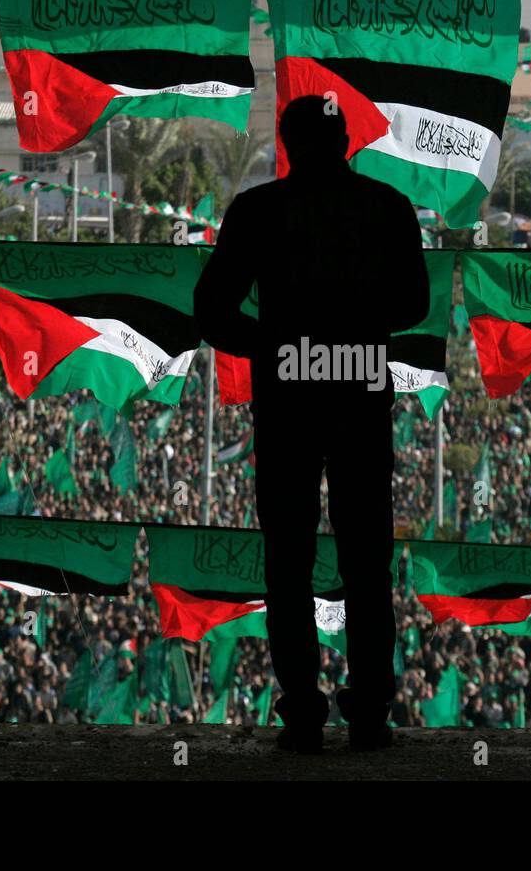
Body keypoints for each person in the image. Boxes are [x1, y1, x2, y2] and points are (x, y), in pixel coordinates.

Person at [194, 95, 429, 752]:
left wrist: (276, 341)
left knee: (289, 563)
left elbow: (212, 310)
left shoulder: (259, 211)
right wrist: (351, 321)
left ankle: (302, 708)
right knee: (365, 563)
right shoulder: (385, 207)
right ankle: (371, 710)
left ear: (289, 143)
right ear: (346, 140)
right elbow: (413, 302)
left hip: (290, 402)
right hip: (357, 398)